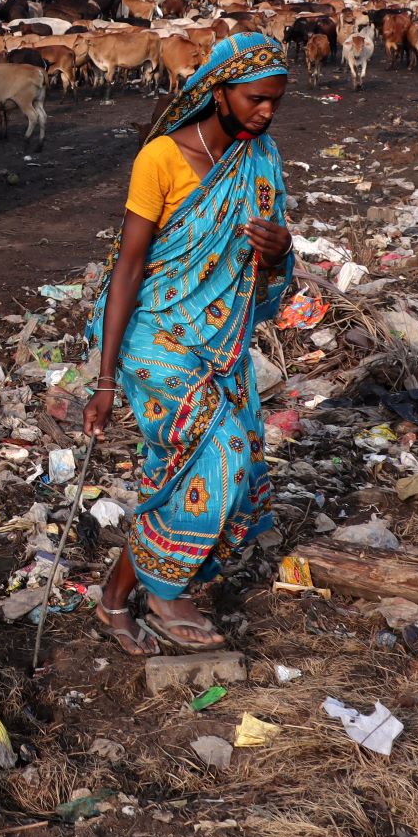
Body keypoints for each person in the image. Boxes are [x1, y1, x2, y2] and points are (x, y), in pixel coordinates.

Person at [82, 32, 294, 655]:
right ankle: (163, 593)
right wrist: (102, 379)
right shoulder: (161, 159)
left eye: (276, 102)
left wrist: (280, 252)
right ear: (218, 90)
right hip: (155, 339)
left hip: (219, 344)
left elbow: (273, 258)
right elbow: (127, 268)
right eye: (256, 99)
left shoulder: (262, 159)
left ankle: (117, 596)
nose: (266, 112)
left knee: (198, 473)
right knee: (220, 454)